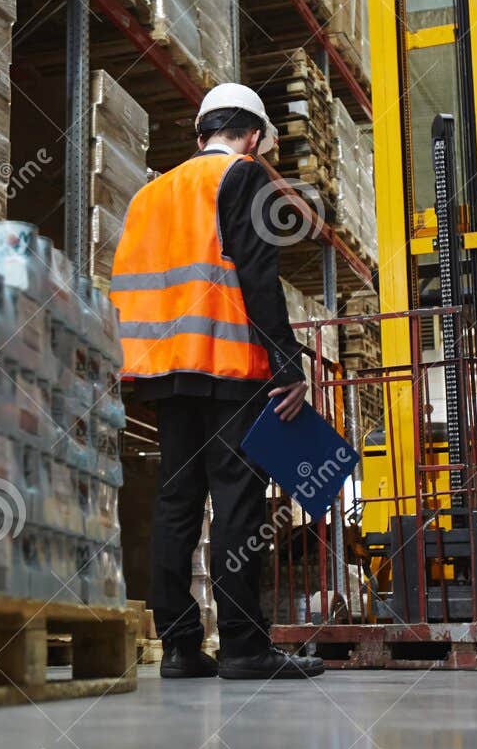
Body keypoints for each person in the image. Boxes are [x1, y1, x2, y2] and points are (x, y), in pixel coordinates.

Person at [109, 83, 325, 680]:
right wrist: (287, 365)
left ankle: (179, 647)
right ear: (253, 137)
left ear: (200, 132)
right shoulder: (246, 177)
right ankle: (244, 647)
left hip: (163, 373)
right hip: (228, 367)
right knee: (236, 502)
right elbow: (258, 275)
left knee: (176, 500)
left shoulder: (149, 194)